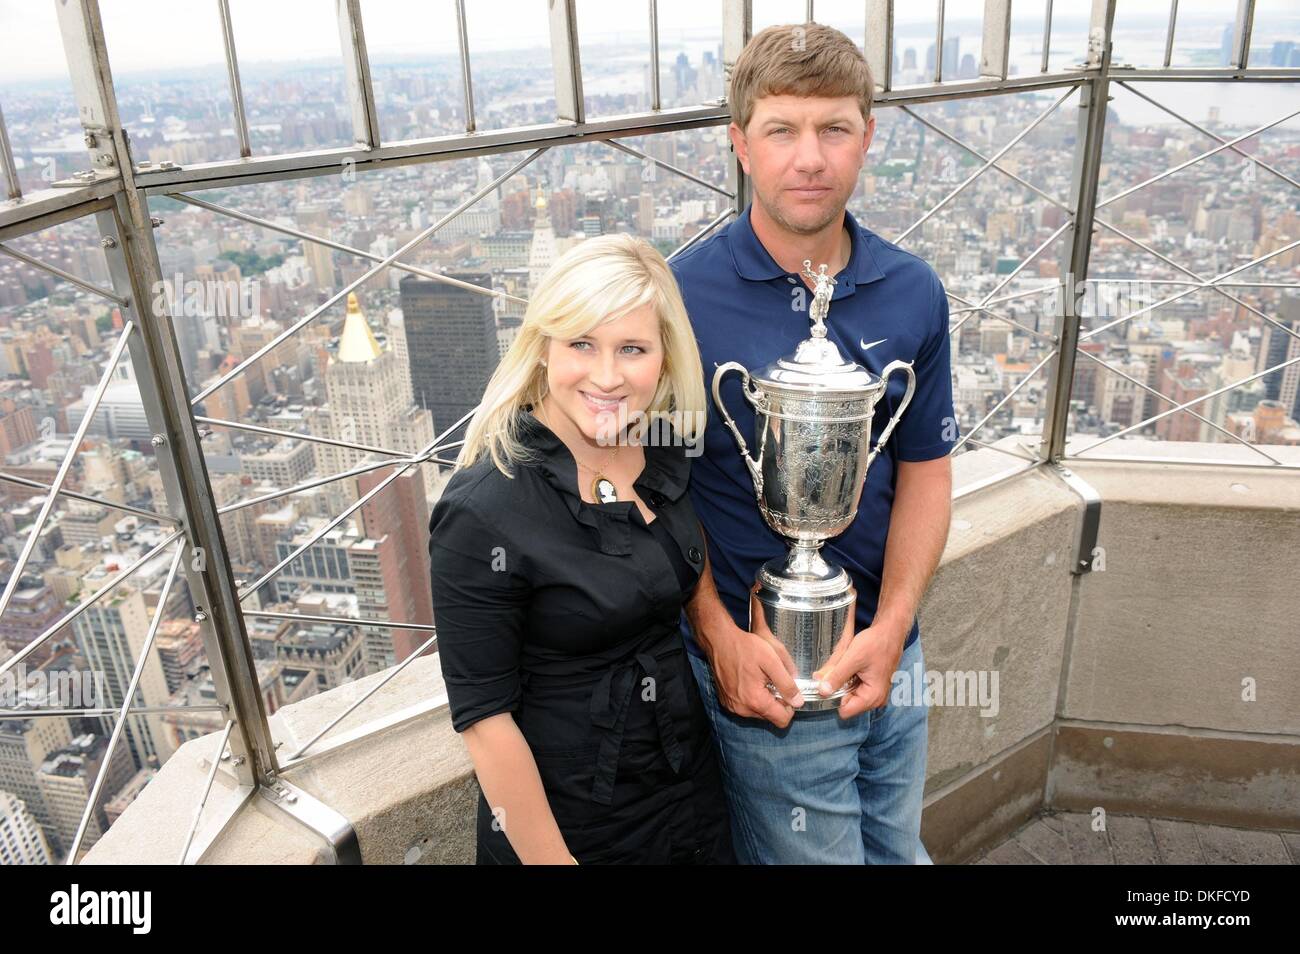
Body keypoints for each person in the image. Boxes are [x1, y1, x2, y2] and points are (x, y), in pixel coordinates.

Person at [670, 23, 959, 864]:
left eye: (834, 128)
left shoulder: (913, 290)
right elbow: (657, 493)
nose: (809, 158)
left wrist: (894, 628)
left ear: (868, 137)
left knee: (899, 851)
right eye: (781, 131)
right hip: (764, 668)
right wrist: (718, 636)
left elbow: (926, 472)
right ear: (740, 145)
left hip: (890, 653)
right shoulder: (681, 296)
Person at [427, 233, 735, 865]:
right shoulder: (485, 507)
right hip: (571, 825)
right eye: (582, 344)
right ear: (543, 349)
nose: (607, 376)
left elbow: (674, 567)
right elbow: (485, 721)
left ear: (664, 357)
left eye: (632, 348)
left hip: (688, 795)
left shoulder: (662, 445)